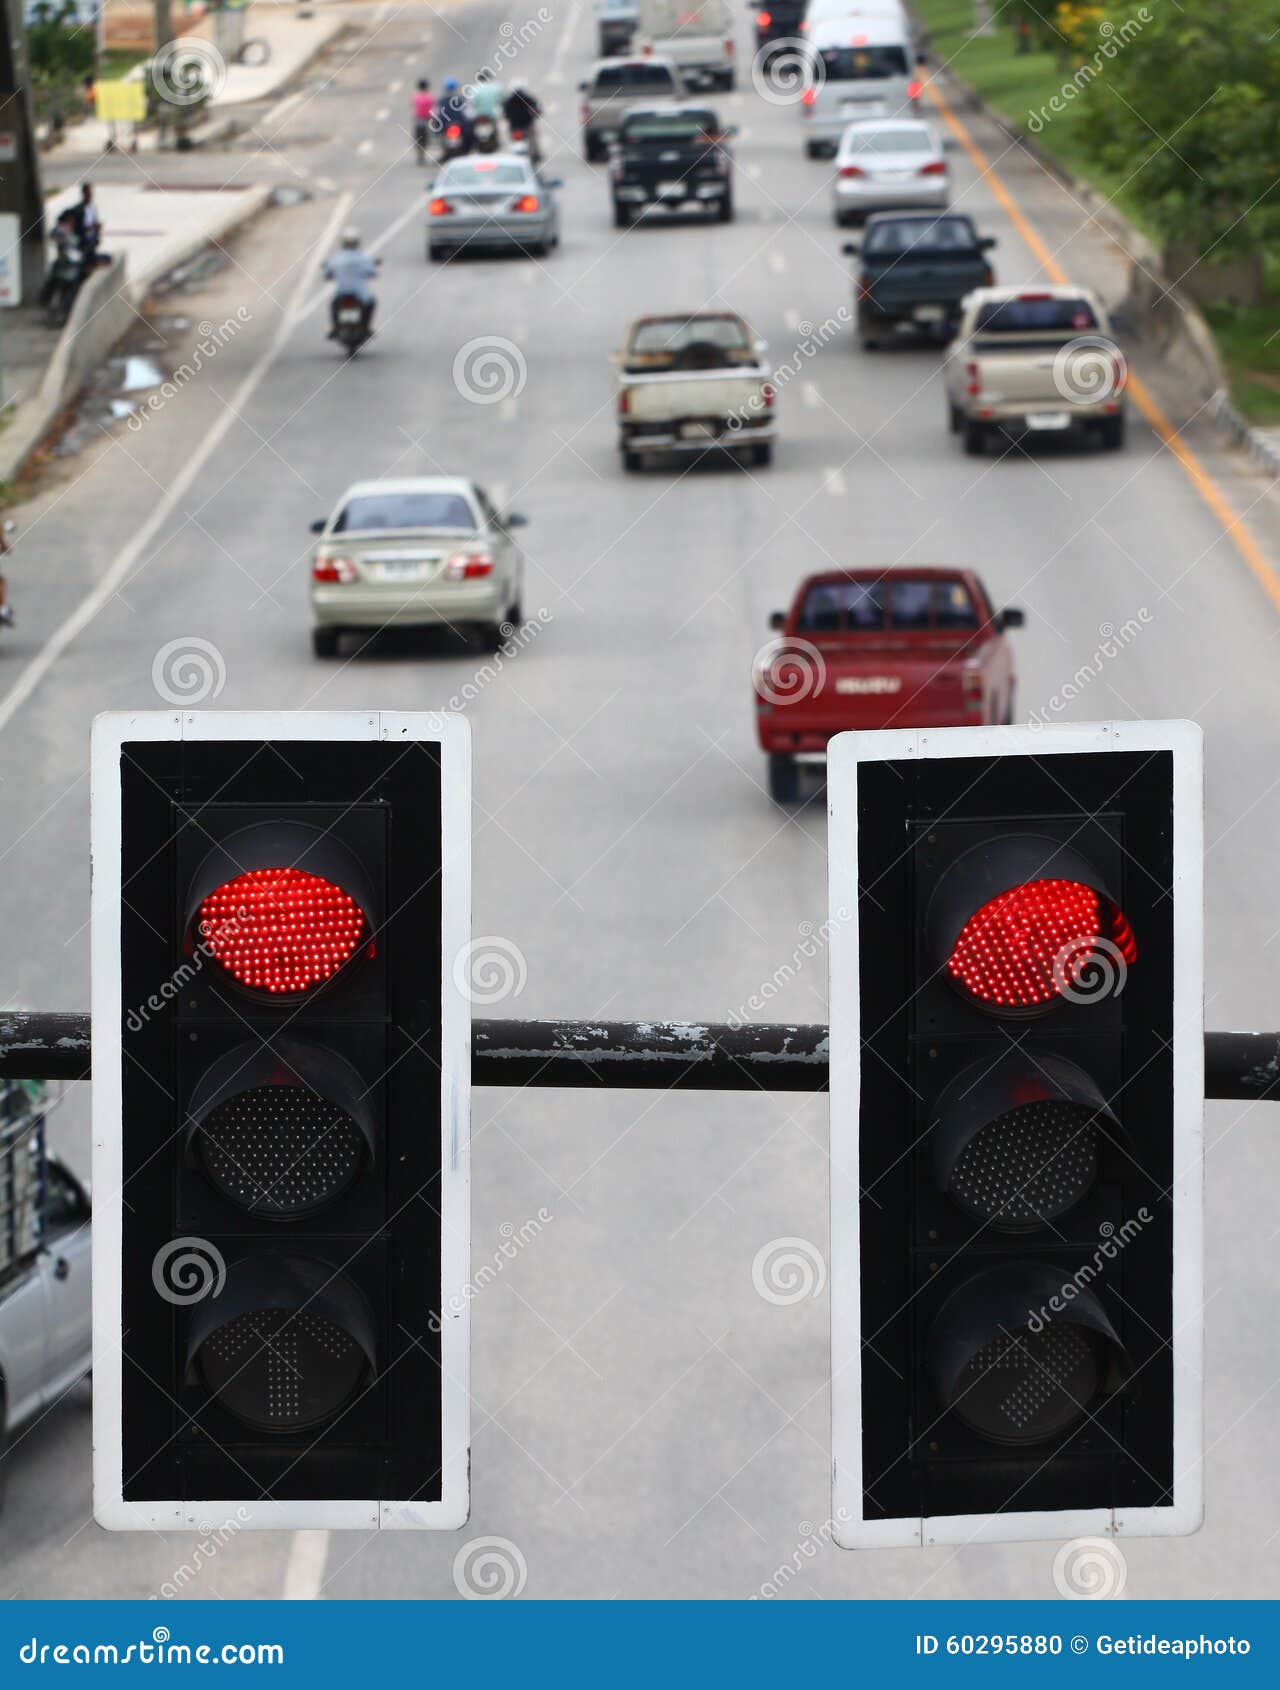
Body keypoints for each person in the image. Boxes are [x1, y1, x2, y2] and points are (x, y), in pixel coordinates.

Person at [323, 228, 379, 339]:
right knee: (372, 303)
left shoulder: (337, 258)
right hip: (360, 294)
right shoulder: (363, 258)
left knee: (333, 305)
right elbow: (372, 272)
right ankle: (365, 328)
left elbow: (328, 273)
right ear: (357, 242)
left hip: (342, 292)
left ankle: (335, 328)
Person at [502, 83, 541, 155]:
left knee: (513, 140)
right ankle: (535, 154)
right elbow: (537, 111)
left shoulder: (508, 101)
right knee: (533, 139)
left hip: (514, 126)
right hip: (527, 126)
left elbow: (505, 114)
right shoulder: (529, 99)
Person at [70, 183, 101, 271]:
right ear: (83, 194)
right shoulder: (78, 209)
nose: (90, 195)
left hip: (92, 242)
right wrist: (89, 227)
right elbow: (76, 228)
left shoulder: (93, 207)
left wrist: (97, 231)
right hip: (83, 243)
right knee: (84, 266)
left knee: (92, 265)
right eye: (88, 193)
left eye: (91, 193)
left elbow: (94, 221)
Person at [437, 76, 472, 148]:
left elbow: (438, 113)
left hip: (447, 125)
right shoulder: (460, 99)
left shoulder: (442, 101)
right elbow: (467, 113)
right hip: (458, 125)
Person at [411, 79, 435, 163]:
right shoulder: (430, 96)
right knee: (427, 137)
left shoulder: (415, 96)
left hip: (418, 119)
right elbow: (433, 106)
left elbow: (413, 105)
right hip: (428, 119)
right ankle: (423, 153)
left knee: (418, 137)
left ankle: (420, 155)